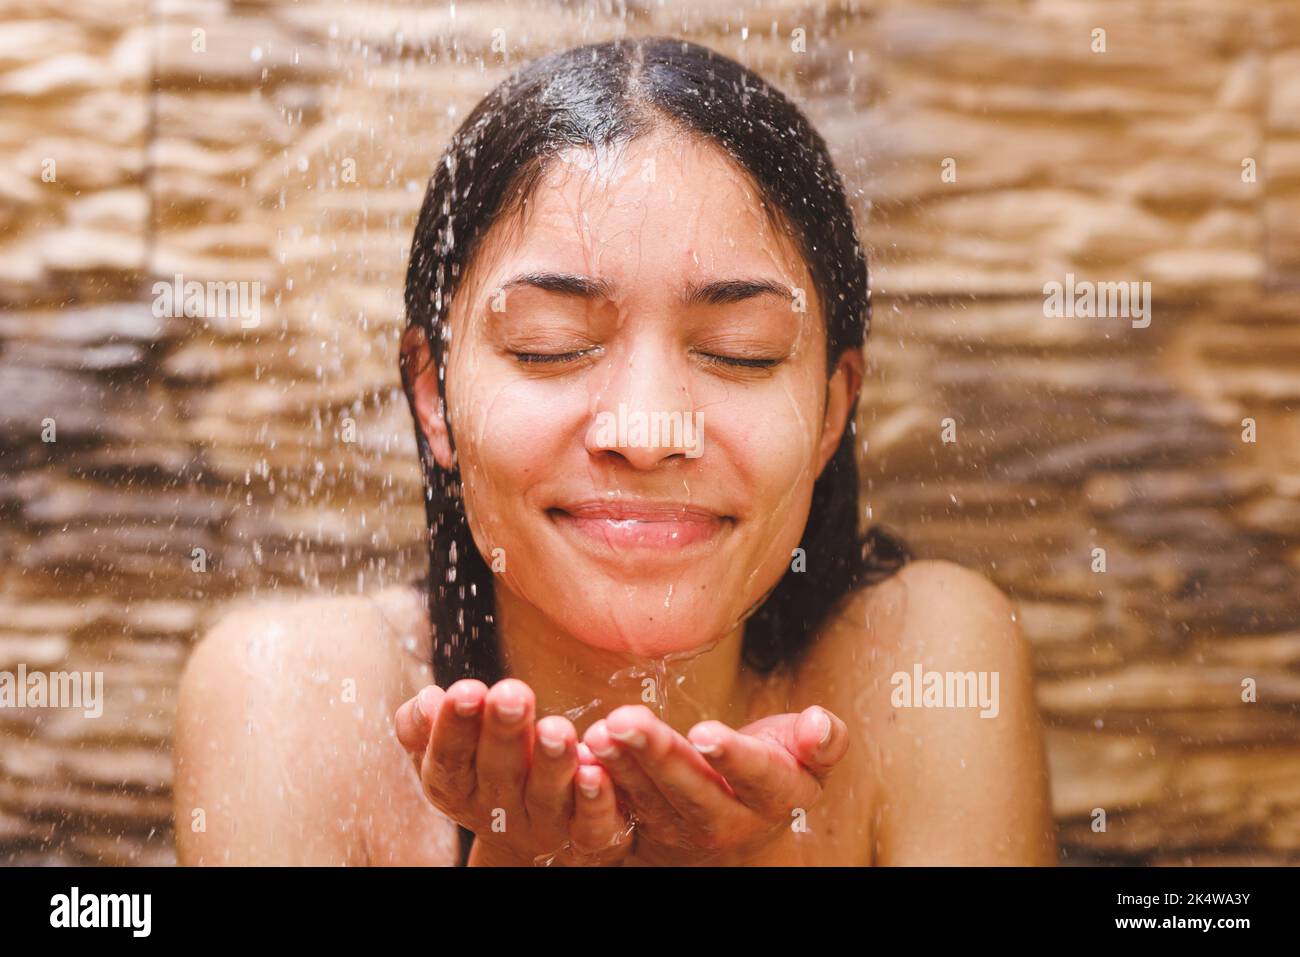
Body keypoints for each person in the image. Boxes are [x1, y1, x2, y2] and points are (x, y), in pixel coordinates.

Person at [174, 37, 1057, 866]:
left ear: (833, 409)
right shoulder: (286, 698)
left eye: (739, 350)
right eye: (551, 344)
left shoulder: (923, 666)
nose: (647, 431)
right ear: (432, 395)